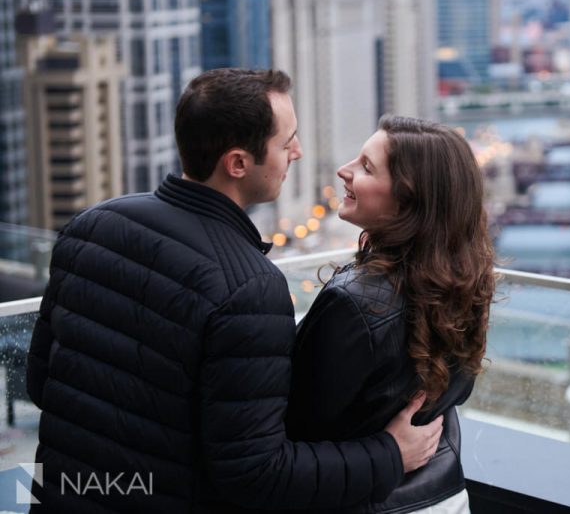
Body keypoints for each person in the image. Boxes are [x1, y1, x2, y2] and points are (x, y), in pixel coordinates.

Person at [26, 69, 443, 513]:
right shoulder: (248, 288)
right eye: (287, 143)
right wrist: (389, 455)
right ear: (238, 163)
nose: (297, 153)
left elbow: (41, 381)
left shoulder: (90, 226)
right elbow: (257, 473)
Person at [286, 115, 495, 513]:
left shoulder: (355, 301)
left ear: (408, 200)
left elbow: (300, 429)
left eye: (366, 167)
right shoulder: (466, 278)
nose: (344, 171)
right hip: (443, 498)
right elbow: (458, 388)